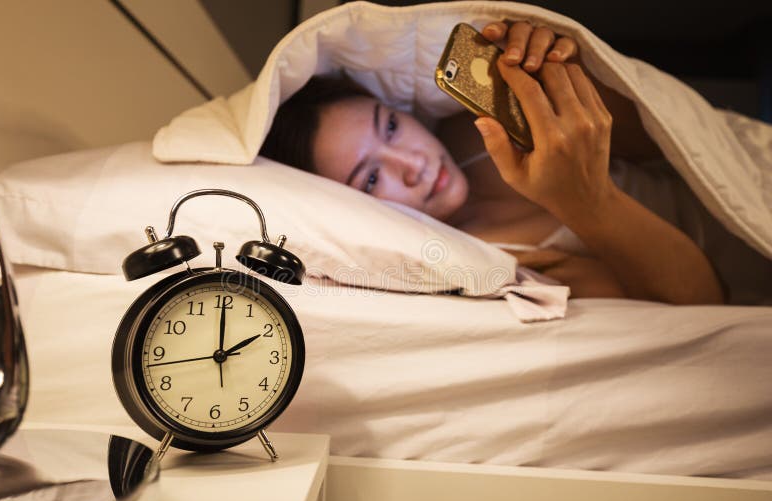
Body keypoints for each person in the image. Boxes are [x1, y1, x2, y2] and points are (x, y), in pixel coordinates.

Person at [261, 20, 772, 305]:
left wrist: (564, 76)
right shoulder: (487, 261)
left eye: (390, 127)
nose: (412, 163)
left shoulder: (472, 128)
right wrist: (585, 202)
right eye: (371, 177)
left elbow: (670, 137)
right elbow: (702, 299)